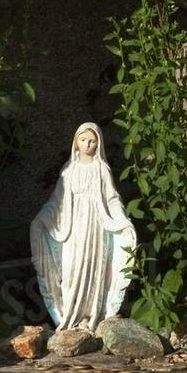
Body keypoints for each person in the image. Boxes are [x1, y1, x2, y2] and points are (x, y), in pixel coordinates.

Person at [30, 122, 136, 331]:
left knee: (94, 270)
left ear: (98, 145)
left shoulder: (101, 170)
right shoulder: (68, 171)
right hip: (74, 228)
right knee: (70, 269)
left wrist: (122, 219)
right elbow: (56, 201)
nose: (88, 144)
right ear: (76, 142)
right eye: (83, 140)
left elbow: (112, 199)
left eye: (92, 141)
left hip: (96, 227)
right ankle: (70, 315)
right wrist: (43, 217)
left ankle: (91, 316)